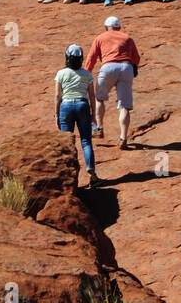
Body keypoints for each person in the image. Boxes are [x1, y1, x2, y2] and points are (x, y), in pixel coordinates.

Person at [85, 15, 141, 149]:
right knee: (125, 106)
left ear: (106, 28)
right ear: (119, 27)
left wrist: (86, 74)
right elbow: (136, 59)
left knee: (99, 98)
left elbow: (91, 58)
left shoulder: (100, 37)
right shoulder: (127, 38)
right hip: (126, 67)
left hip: (108, 67)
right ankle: (123, 137)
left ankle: (99, 128)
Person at [54, 44, 99, 187]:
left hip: (66, 106)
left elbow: (57, 96)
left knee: (67, 143)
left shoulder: (61, 74)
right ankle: (92, 174)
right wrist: (93, 114)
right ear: (81, 58)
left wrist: (56, 114)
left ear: (67, 57)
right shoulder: (87, 74)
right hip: (82, 105)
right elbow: (92, 97)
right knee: (86, 141)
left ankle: (66, 177)